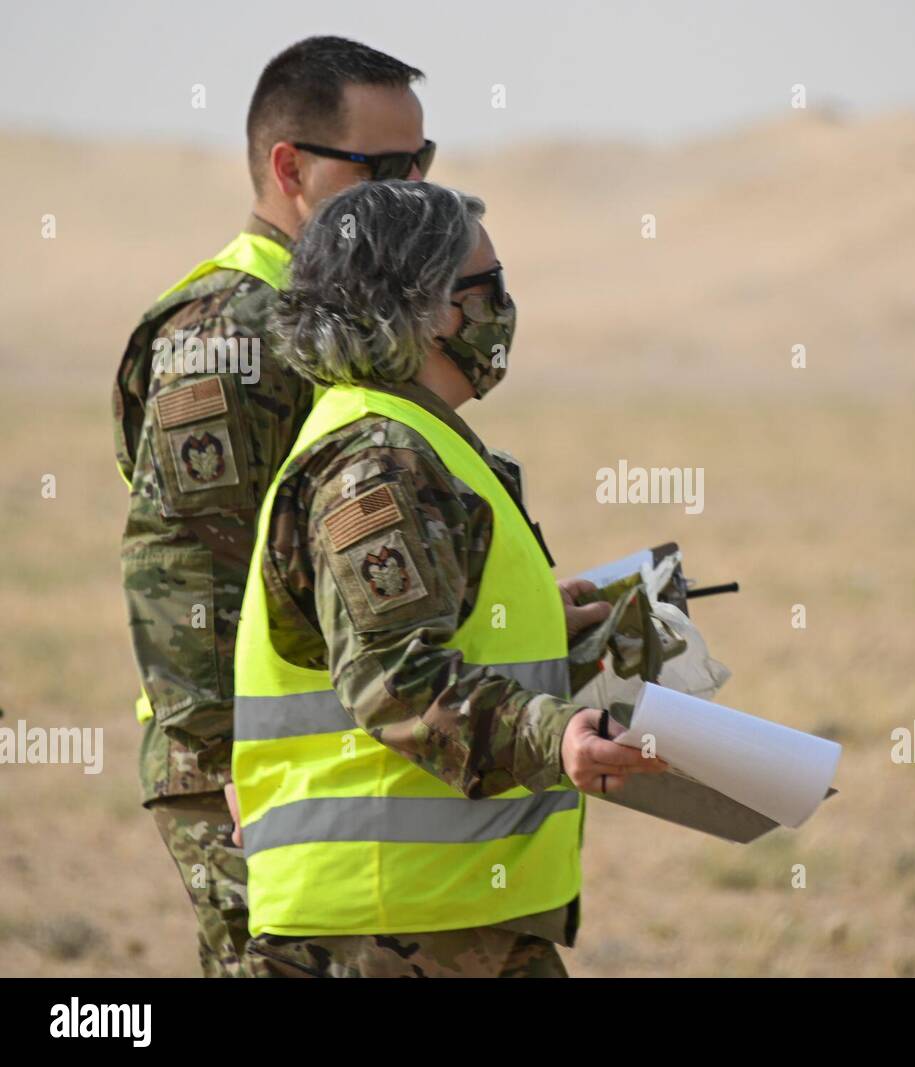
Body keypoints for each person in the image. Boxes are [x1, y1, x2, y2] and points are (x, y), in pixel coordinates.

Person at [232, 179, 667, 978]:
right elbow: (395, 677)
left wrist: (542, 616)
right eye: (488, 287)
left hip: (449, 919)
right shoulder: (377, 461)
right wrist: (555, 735)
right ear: (428, 309)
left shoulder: (419, 441)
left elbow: (413, 627)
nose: (506, 308)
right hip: (389, 929)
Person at [112, 36, 432, 977]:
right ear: (289, 168)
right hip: (246, 773)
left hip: (321, 757)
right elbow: (190, 573)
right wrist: (235, 765)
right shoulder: (230, 333)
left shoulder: (330, 313)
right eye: (383, 169)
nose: (412, 194)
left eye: (423, 165)